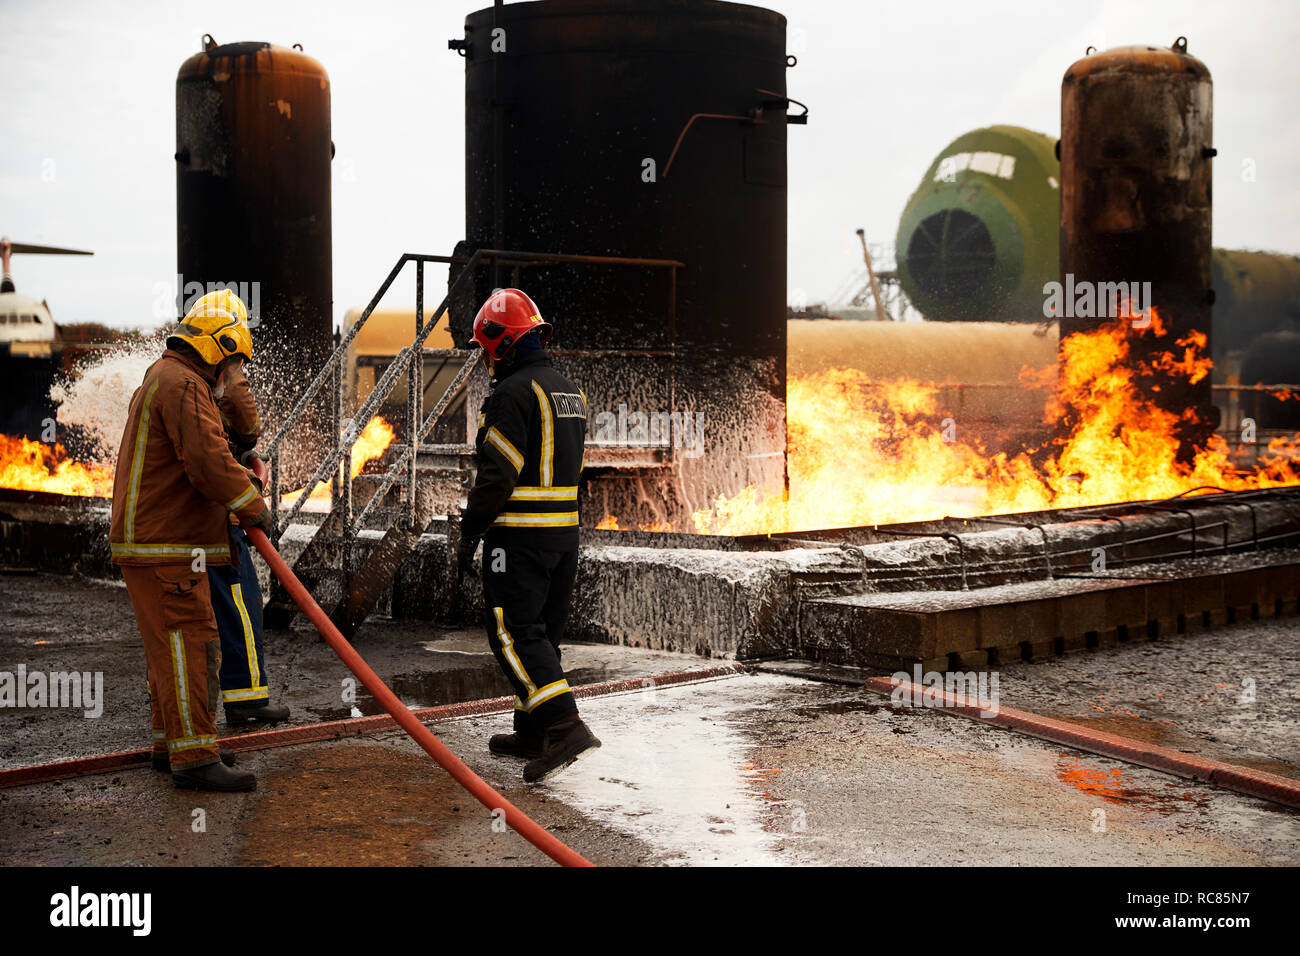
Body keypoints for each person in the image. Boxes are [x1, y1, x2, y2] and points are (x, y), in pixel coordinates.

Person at [110, 289, 272, 792]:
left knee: (168, 651)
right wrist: (254, 506)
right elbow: (206, 463)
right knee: (191, 644)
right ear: (219, 348)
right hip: (169, 546)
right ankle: (196, 757)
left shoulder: (167, 377)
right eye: (235, 361)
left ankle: (170, 745)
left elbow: (205, 454)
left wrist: (240, 478)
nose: (235, 374)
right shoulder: (184, 384)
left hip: (156, 543)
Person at [458, 288, 600, 783]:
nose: (484, 358)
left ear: (501, 343)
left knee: (512, 632)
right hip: (563, 536)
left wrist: (469, 531)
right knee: (544, 634)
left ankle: (564, 725)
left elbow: (497, 476)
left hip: (518, 538)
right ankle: (533, 730)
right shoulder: (567, 390)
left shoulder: (510, 395)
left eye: (485, 348)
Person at [210, 339, 291, 727]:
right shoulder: (226, 371)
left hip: (185, 530)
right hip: (219, 522)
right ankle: (247, 698)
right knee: (241, 602)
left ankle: (181, 712)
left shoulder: (168, 377)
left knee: (193, 620)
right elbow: (248, 422)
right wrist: (255, 505)